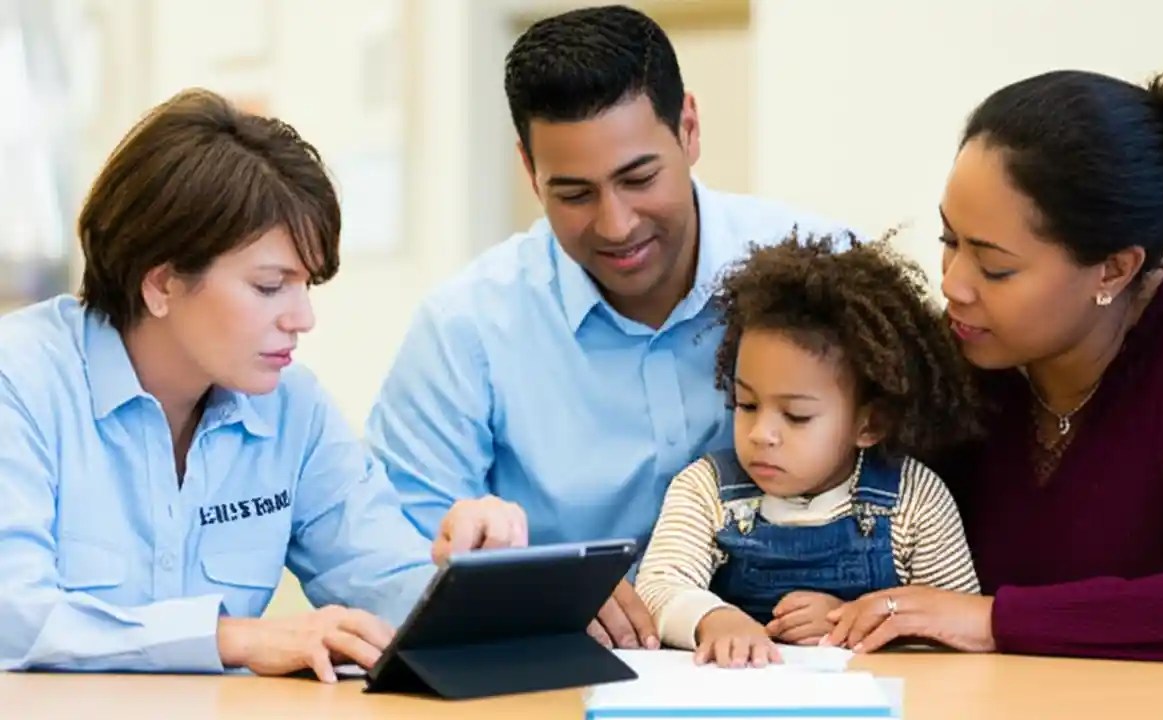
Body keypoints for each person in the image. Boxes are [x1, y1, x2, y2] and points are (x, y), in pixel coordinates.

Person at [366, 4, 848, 650]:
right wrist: (533, 593)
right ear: (528, 170)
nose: (617, 225)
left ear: (691, 129)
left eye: (639, 177)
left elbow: (924, 485)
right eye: (574, 194)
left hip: (808, 665)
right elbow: (389, 560)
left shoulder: (823, 275)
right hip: (567, 675)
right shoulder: (465, 329)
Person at [822, 69, 1163, 664]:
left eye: (995, 268)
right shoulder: (956, 354)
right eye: (949, 239)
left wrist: (996, 620)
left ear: (1113, 270)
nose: (953, 284)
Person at [0, 89, 437, 681]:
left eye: (306, 285)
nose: (302, 318)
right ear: (161, 284)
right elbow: (15, 617)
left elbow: (391, 584)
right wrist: (230, 639)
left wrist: (472, 580)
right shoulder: (20, 380)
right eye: (268, 286)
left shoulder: (293, 409)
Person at [635, 233, 982, 668]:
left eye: (796, 416)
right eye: (746, 404)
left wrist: (847, 620)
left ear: (869, 424)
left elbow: (953, 620)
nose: (761, 434)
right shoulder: (707, 489)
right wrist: (714, 618)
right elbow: (658, 586)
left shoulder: (914, 499)